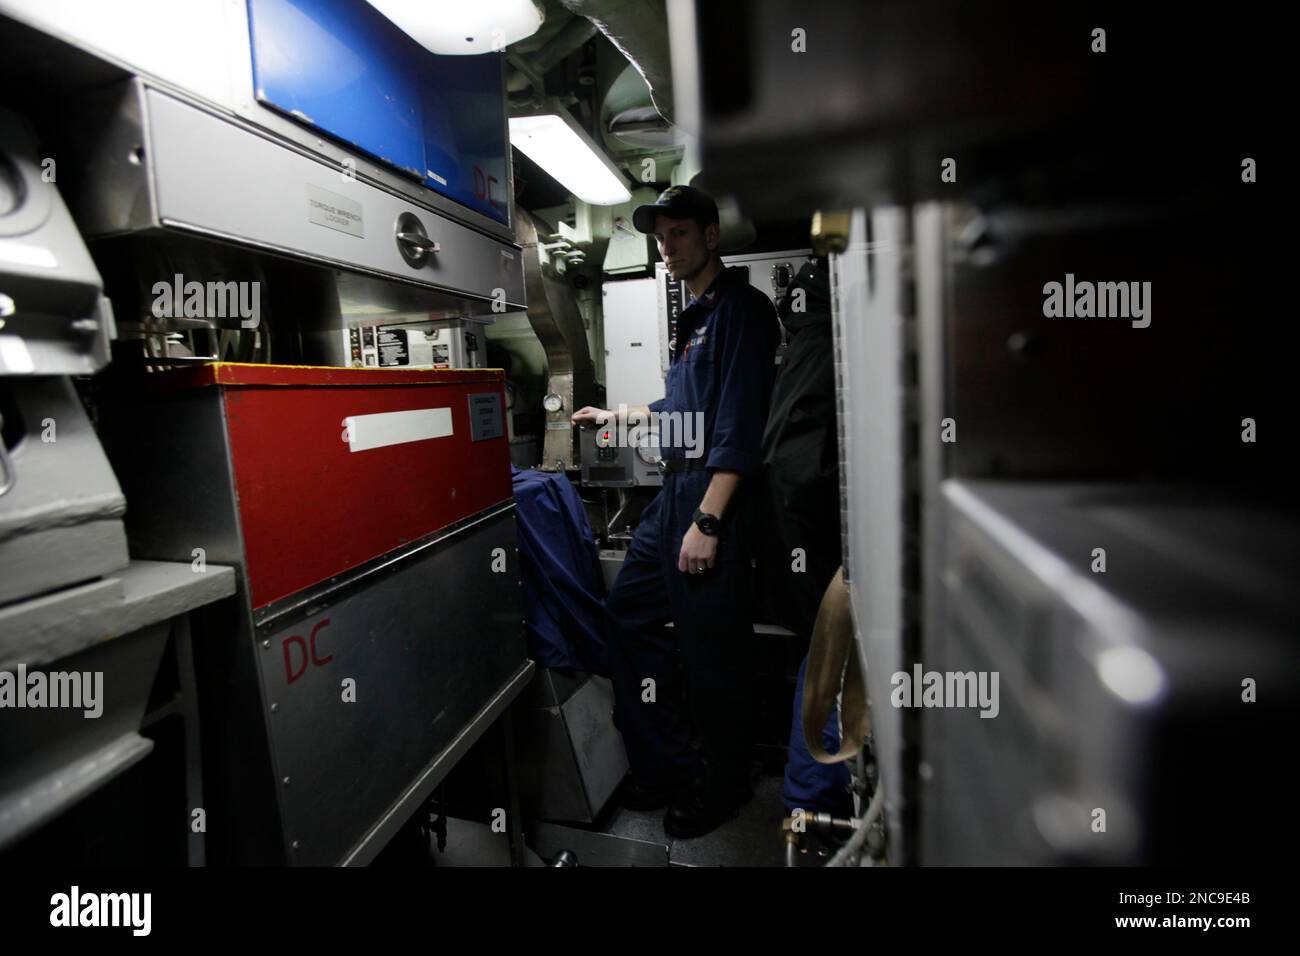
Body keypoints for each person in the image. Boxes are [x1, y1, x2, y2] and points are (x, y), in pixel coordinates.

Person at [571, 185, 780, 838]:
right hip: (677, 495)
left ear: (711, 236)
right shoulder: (695, 323)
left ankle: (724, 782)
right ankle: (666, 761)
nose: (668, 248)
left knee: (711, 648)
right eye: (661, 238)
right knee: (628, 613)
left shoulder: (741, 311)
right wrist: (616, 416)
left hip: (714, 496)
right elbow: (677, 415)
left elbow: (740, 427)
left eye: (680, 234)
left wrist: (709, 521)